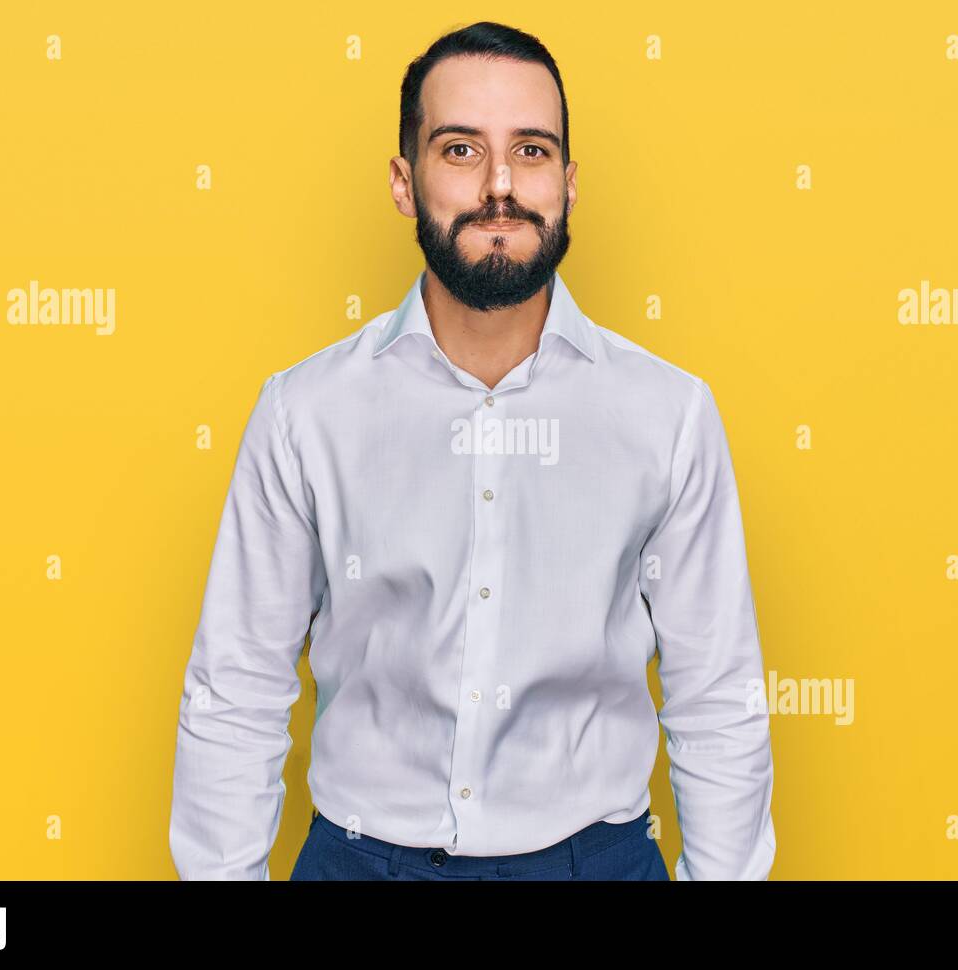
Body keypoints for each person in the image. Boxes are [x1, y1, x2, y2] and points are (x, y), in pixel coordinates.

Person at [168, 20, 775, 881]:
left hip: (593, 861)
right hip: (358, 860)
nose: (500, 186)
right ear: (405, 182)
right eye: (460, 150)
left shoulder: (667, 416)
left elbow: (718, 697)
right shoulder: (305, 413)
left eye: (530, 151)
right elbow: (237, 690)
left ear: (568, 182)